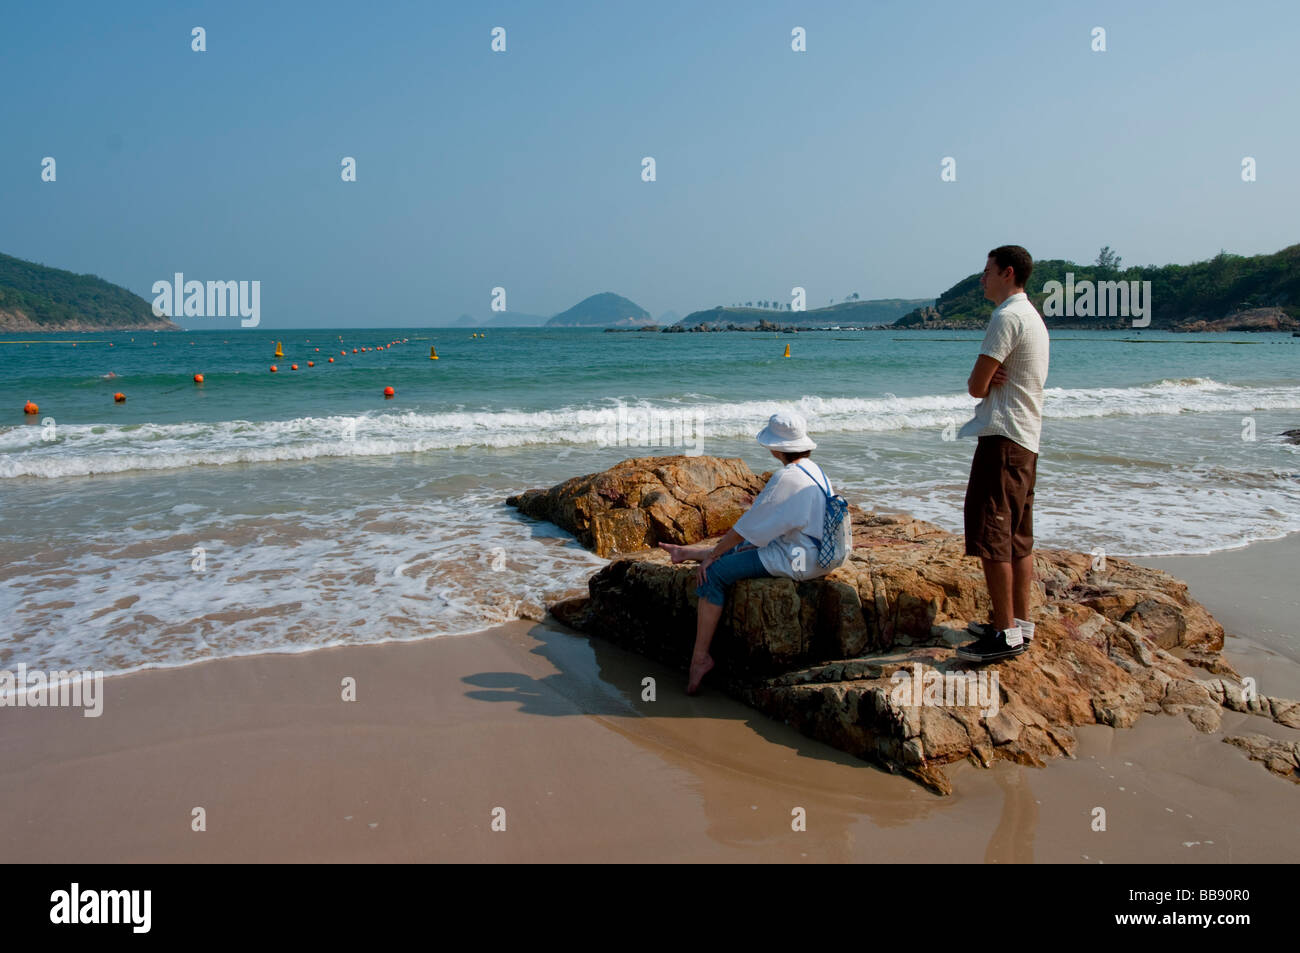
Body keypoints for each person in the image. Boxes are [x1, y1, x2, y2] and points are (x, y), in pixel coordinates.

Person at [660, 410, 836, 694]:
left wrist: (716, 556)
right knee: (748, 546)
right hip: (822, 553)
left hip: (802, 560)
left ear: (776, 447)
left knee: (714, 575)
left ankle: (700, 658)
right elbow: (763, 530)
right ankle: (688, 553)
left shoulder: (785, 478)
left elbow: (745, 528)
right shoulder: (814, 471)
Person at [957, 245, 1050, 662]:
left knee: (993, 536)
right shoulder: (1032, 316)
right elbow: (989, 379)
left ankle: (1005, 632)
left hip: (1003, 439)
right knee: (1017, 537)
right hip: (1026, 440)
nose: (982, 278)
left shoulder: (1007, 316)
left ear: (1007, 273)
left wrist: (989, 378)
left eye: (987, 270)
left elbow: (976, 385)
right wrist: (994, 377)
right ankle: (1018, 622)